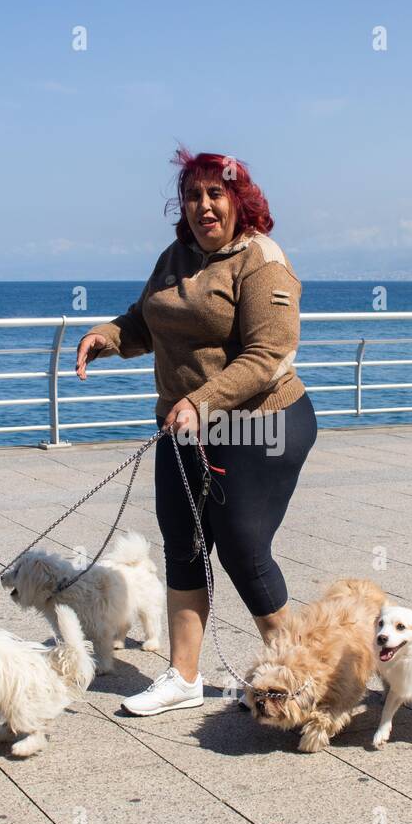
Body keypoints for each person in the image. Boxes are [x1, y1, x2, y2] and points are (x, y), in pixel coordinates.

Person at [75, 147, 317, 716]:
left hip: (263, 423)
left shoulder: (261, 259)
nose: (204, 206)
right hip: (185, 424)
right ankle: (183, 677)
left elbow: (268, 353)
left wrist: (202, 401)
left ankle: (300, 674)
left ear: (239, 199)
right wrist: (109, 335)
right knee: (183, 542)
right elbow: (147, 318)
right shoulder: (175, 255)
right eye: (193, 196)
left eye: (216, 194)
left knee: (241, 544)